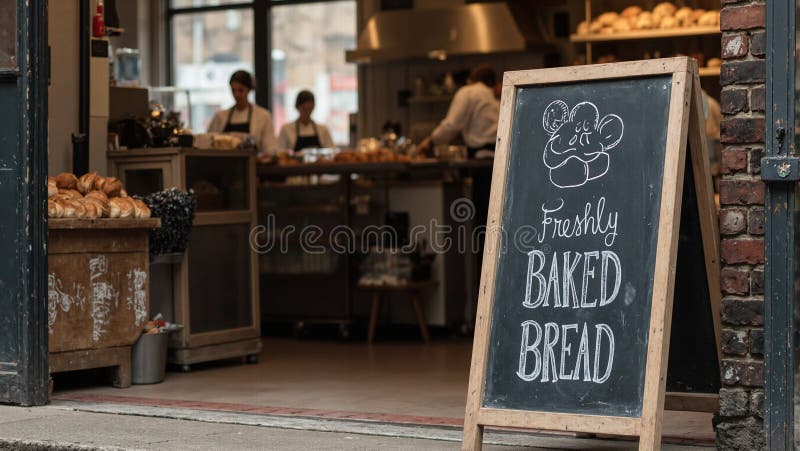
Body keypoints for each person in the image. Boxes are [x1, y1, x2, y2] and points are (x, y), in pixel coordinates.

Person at [418, 64, 500, 159]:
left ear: (470, 80)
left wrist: (431, 141)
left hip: (481, 154)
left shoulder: (468, 91)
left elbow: (452, 125)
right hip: (500, 152)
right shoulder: (494, 94)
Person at [208, 70, 276, 155]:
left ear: (249, 90)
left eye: (240, 90)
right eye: (233, 90)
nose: (236, 95)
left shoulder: (262, 116)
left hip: (252, 162)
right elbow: (209, 143)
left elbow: (270, 149)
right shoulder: (220, 116)